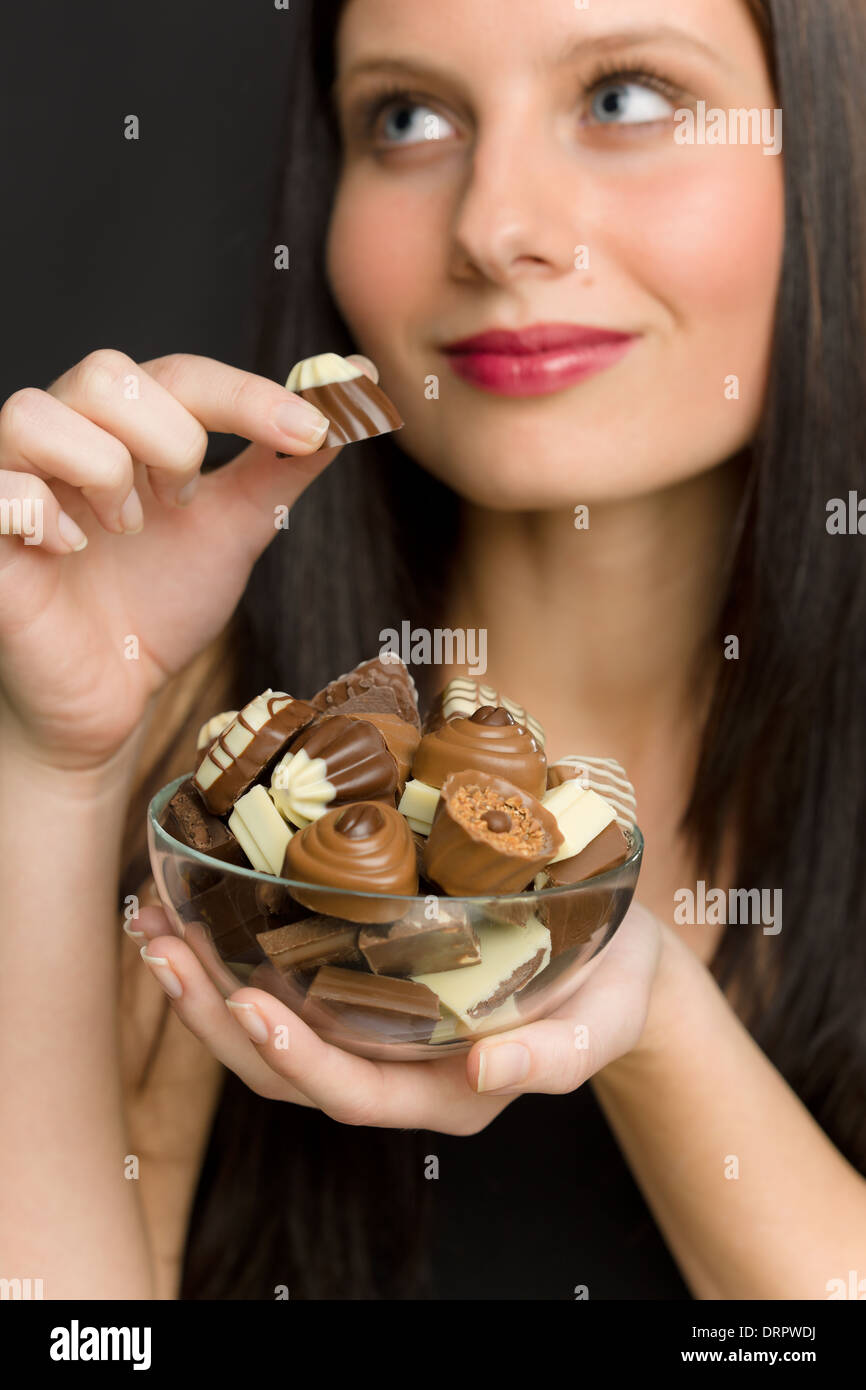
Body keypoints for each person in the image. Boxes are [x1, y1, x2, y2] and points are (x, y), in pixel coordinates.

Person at [1, 0, 864, 1301]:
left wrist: (651, 1018)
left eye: (623, 98)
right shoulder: (227, 785)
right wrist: (58, 767)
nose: (492, 227)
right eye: (407, 117)